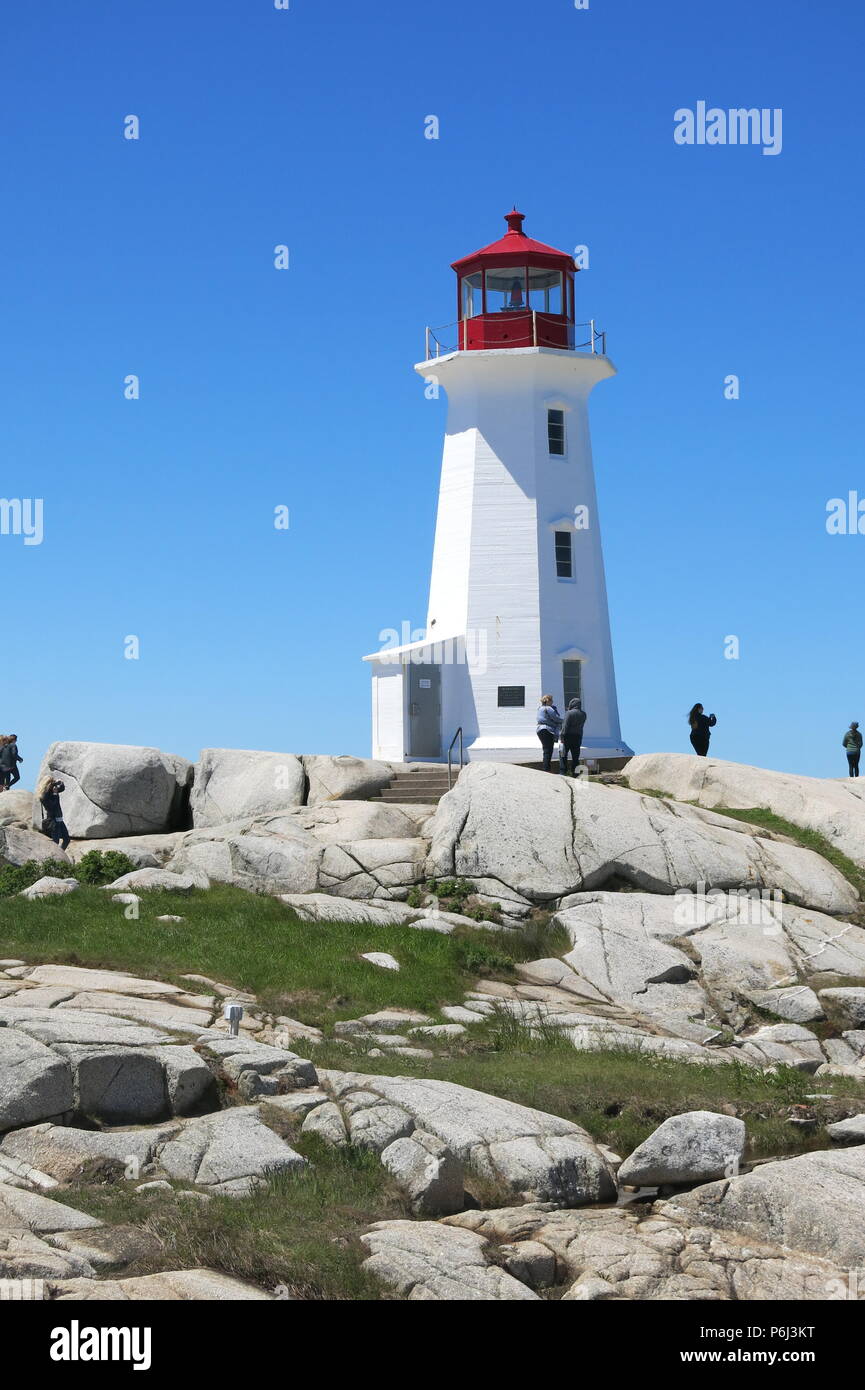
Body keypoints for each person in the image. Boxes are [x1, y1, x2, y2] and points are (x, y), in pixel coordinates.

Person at [38, 775, 70, 850]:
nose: (53, 785)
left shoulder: (52, 790)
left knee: (67, 840)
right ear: (47, 784)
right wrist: (55, 794)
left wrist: (60, 782)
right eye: (51, 783)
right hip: (53, 821)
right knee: (55, 842)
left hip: (60, 820)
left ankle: (61, 854)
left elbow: (62, 788)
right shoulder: (44, 796)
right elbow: (52, 806)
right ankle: (54, 858)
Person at [560, 698, 587, 777]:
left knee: (563, 754)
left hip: (568, 736)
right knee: (575, 757)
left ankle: (563, 772)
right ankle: (575, 774)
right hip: (578, 736)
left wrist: (562, 736)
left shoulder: (569, 713)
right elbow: (581, 726)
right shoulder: (584, 714)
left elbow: (565, 726)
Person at [536, 694, 563, 772]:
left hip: (539, 730)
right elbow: (556, 718)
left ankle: (546, 767)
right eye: (552, 700)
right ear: (549, 701)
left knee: (545, 749)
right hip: (548, 730)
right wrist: (564, 720)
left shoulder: (539, 708)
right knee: (548, 750)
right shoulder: (549, 708)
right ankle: (546, 769)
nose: (552, 702)